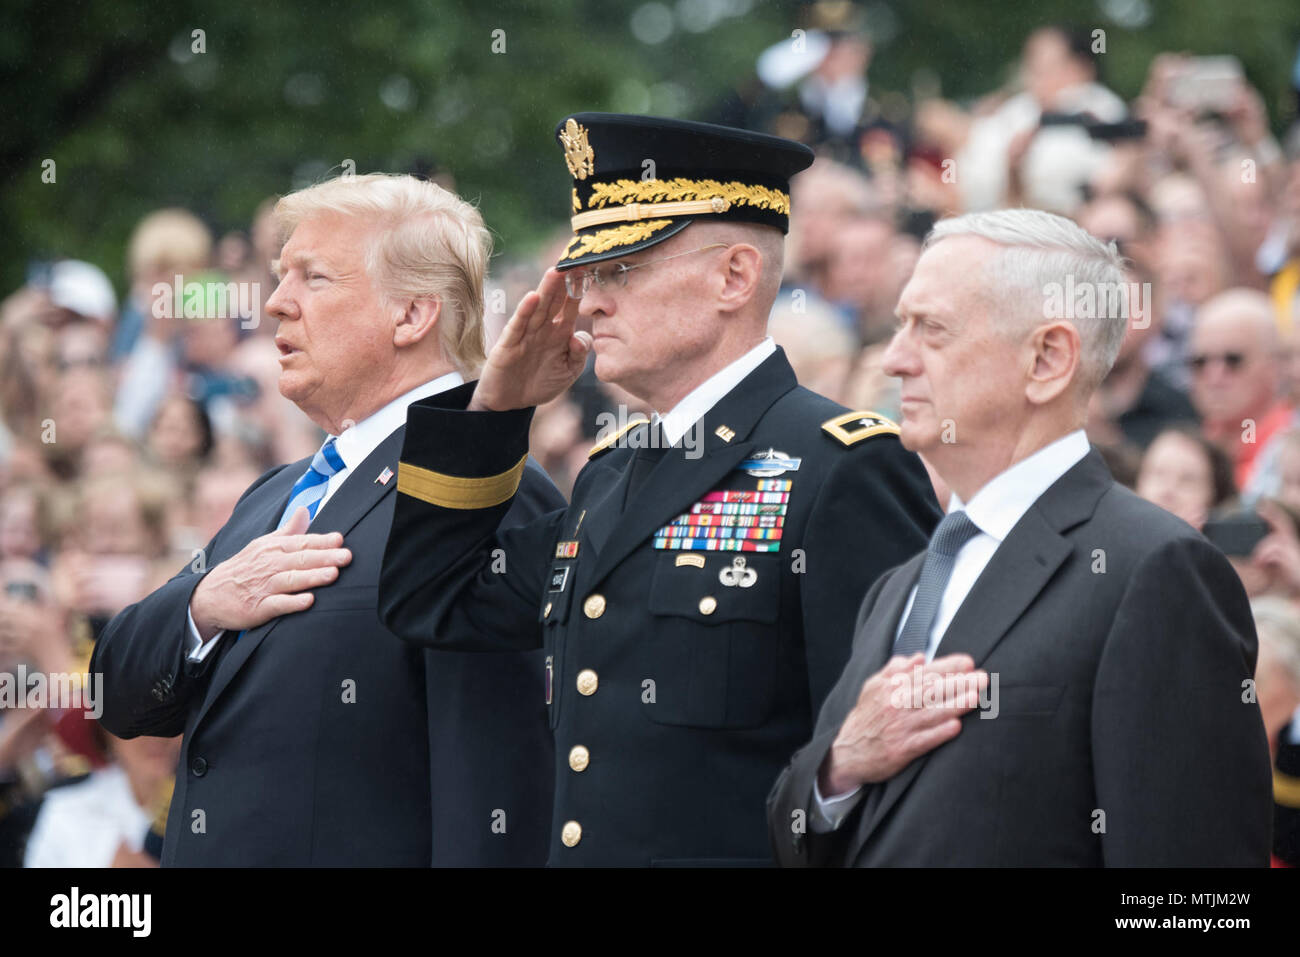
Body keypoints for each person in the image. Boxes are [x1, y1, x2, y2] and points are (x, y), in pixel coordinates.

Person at [379, 113, 940, 866]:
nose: (588, 303)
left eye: (622, 270)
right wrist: (496, 412)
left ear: (734, 277)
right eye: (586, 276)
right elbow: (431, 598)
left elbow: (882, 771)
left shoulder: (837, 465)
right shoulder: (610, 474)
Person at [767, 208, 1273, 866]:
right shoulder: (902, 584)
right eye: (899, 326)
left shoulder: (1153, 570)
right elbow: (792, 834)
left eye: (932, 329)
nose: (895, 359)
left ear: (1047, 358)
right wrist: (840, 767)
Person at [90, 173, 563, 866]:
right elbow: (117, 694)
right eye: (282, 276)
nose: (277, 304)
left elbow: (492, 796)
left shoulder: (488, 487)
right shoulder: (275, 495)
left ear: (411, 315)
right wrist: (204, 606)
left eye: (313, 278)